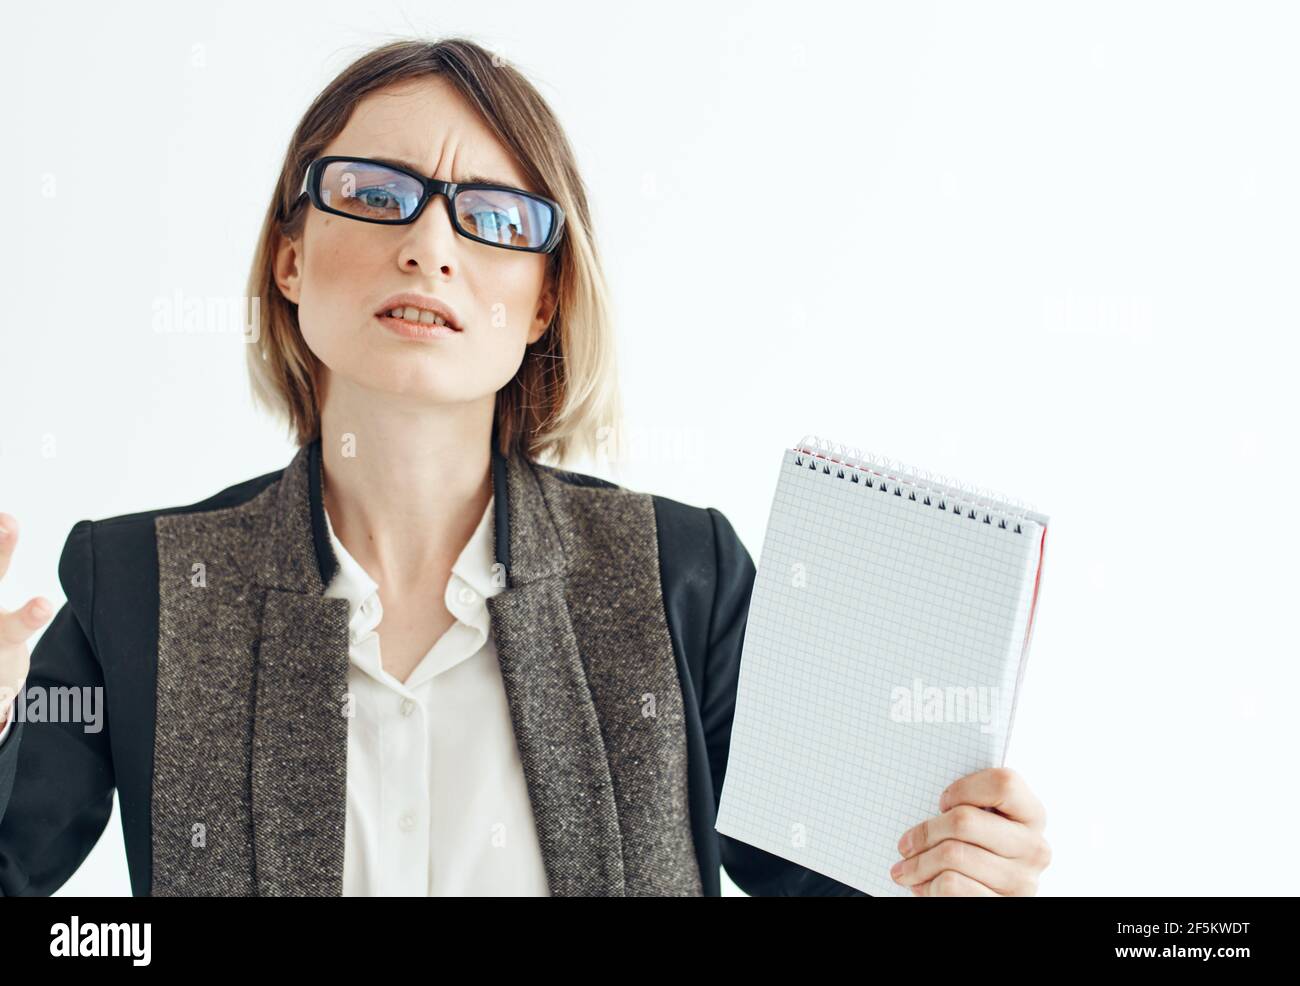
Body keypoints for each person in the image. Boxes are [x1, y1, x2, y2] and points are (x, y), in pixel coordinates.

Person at [0, 37, 1050, 896]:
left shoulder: (686, 577)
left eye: (496, 219)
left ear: (546, 298)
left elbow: (834, 883)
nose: (429, 244)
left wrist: (947, 879)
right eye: (374, 193)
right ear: (289, 258)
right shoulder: (131, 583)